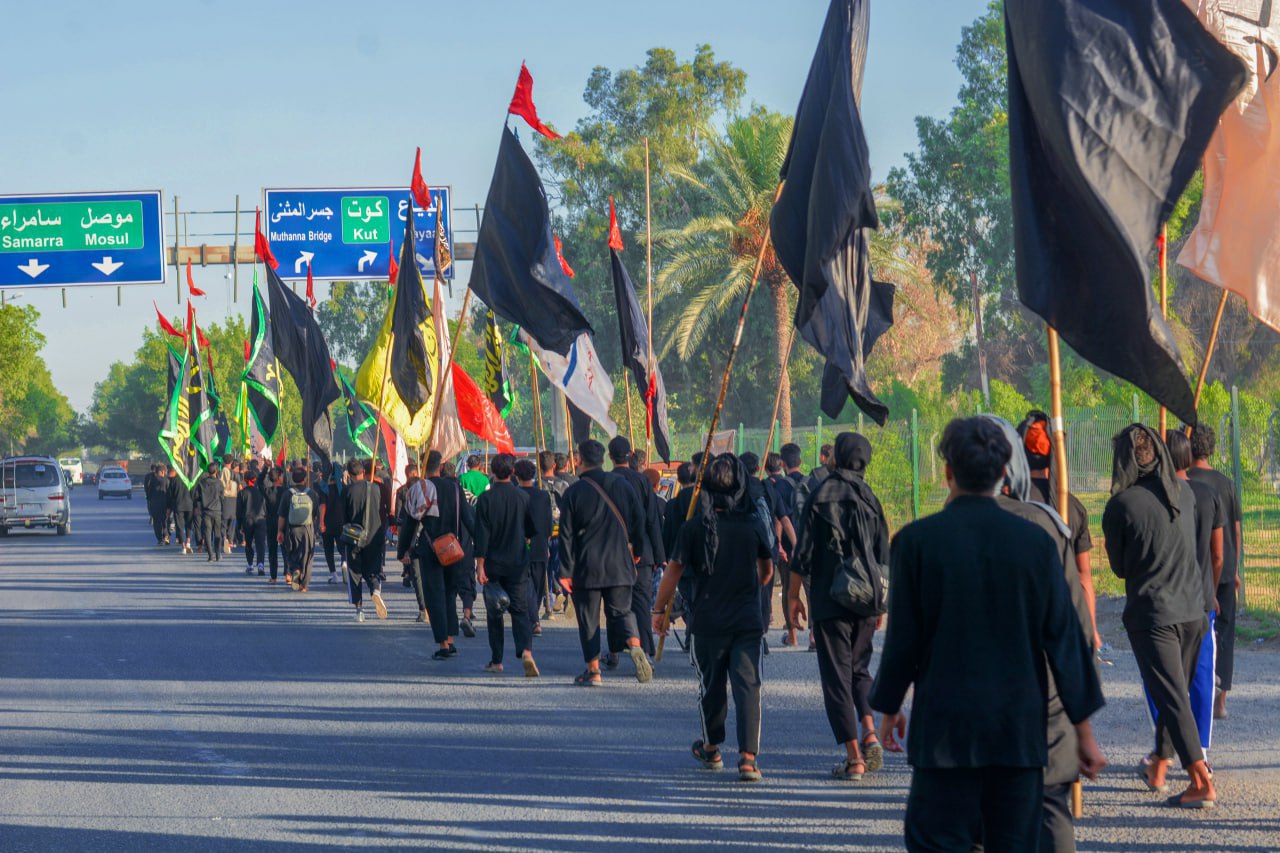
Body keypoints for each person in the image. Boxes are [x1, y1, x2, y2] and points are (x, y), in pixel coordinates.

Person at [871, 417, 1105, 851]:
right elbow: (1065, 639)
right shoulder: (1036, 543)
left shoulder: (916, 543)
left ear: (947, 472)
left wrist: (889, 708)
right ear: (1003, 474)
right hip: (1016, 735)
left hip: (944, 736)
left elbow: (904, 641)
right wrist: (1083, 733)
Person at [987, 415, 1099, 852]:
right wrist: (1083, 727)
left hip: (974, 709)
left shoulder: (932, 535)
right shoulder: (1057, 519)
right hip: (1044, 698)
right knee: (1050, 813)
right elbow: (1074, 605)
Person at [1102, 423, 1214, 807]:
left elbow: (1118, 568)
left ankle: (1201, 781)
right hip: (1194, 611)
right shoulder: (1183, 491)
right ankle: (1159, 767)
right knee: (1174, 693)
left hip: (1155, 616)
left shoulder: (1121, 505)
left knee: (1172, 698)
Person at [653, 454, 773, 782]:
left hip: (706, 620)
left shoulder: (694, 528)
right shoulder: (753, 525)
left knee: (711, 685)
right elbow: (766, 571)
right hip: (748, 618)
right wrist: (747, 588)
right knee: (748, 686)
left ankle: (711, 747)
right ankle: (749, 758)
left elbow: (673, 571)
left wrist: (659, 610)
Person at [789, 433, 890, 783]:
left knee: (836, 677)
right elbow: (883, 555)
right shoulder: (870, 498)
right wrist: (880, 604)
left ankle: (854, 758)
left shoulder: (820, 494)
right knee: (859, 669)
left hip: (830, 600)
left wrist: (792, 598)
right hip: (865, 599)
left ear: (840, 456)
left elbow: (802, 554)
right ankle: (870, 731)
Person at [1145, 430, 1223, 770]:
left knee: (1162, 679)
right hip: (1201, 600)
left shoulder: (1154, 497)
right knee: (1202, 674)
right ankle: (1200, 751)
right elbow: (1218, 555)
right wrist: (1213, 591)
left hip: (1165, 601)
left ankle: (1165, 751)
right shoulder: (1208, 494)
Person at [558, 439, 653, 686]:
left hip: (586, 566)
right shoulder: (622, 485)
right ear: (603, 459)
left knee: (588, 619)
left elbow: (566, 535)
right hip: (620, 561)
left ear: (579, 460)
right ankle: (634, 644)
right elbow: (639, 521)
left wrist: (565, 570)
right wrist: (637, 551)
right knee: (622, 611)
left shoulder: (573, 492)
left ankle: (594, 671)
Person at [1019, 411, 1102, 650]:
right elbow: (1084, 574)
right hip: (1066, 619)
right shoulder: (1073, 507)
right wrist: (1091, 628)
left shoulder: (1010, 504)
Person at [1186, 423, 1242, 720]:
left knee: (1195, 634)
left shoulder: (1181, 481)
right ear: (1212, 448)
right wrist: (1233, 568)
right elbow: (1234, 528)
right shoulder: (1226, 483)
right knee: (1225, 632)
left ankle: (1195, 695)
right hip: (1225, 565)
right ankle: (1220, 702)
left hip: (1195, 568)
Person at [473, 453, 539, 677]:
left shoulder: (485, 499)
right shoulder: (522, 497)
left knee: (495, 613)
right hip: (518, 563)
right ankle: (527, 652)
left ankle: (497, 660)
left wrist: (480, 566)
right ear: (512, 473)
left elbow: (481, 535)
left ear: (492, 472)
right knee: (520, 611)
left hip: (493, 564)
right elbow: (531, 530)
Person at [406, 451, 475, 660]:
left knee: (435, 596)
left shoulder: (421, 488)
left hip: (430, 549)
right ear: (440, 465)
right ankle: (451, 639)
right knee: (450, 595)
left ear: (424, 465)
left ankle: (443, 644)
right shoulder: (455, 488)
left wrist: (403, 551)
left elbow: (411, 523)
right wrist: (480, 547)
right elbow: (468, 519)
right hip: (453, 549)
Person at [608, 436, 667, 660]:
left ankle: (614, 651)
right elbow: (652, 519)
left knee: (614, 603)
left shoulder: (606, 480)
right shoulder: (642, 481)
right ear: (630, 455)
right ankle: (646, 649)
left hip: (614, 551)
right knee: (641, 603)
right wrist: (660, 555)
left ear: (610, 457)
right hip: (644, 553)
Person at [343, 458, 385, 622]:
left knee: (354, 574)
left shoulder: (347, 491)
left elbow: (344, 516)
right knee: (373, 569)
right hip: (374, 534)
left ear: (349, 474)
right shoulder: (375, 488)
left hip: (353, 537)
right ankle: (375, 590)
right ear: (362, 472)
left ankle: (359, 609)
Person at [515, 458, 553, 636]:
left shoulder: (515, 494)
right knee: (534, 584)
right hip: (539, 545)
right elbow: (548, 524)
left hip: (520, 546)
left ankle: (533, 617)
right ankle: (534, 619)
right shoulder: (543, 495)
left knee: (530, 585)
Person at [277, 467, 318, 591]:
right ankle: (304, 585)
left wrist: (280, 530)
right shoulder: (312, 494)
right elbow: (315, 514)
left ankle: (295, 569)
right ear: (305, 479)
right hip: (307, 528)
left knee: (291, 552)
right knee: (307, 556)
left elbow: (282, 515)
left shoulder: (287, 494)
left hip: (291, 528)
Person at [317, 467, 346, 584]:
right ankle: (344, 561)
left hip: (328, 523)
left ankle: (334, 575)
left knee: (328, 549)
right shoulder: (343, 488)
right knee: (342, 547)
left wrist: (321, 522)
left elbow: (322, 505)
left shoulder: (324, 488)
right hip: (342, 522)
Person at [237, 468, 268, 576]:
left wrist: (239, 525)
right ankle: (260, 564)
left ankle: (250, 564)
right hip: (261, 518)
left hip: (247, 520)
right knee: (260, 544)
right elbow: (265, 506)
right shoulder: (261, 491)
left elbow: (239, 510)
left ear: (245, 480)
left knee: (249, 543)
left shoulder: (242, 493)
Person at [193, 462, 225, 562]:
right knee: (217, 534)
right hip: (217, 511)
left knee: (207, 533)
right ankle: (218, 554)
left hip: (206, 511)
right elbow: (222, 498)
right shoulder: (219, 483)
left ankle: (210, 555)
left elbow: (196, 497)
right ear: (216, 471)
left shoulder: (202, 483)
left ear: (207, 471)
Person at [259, 467, 284, 582]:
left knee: (272, 550)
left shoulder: (267, 491)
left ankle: (274, 576)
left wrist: (265, 469)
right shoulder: (286, 491)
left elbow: (259, 482)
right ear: (279, 478)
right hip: (284, 522)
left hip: (271, 521)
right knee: (286, 549)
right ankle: (288, 573)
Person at [167, 467, 194, 555]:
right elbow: (193, 492)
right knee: (189, 525)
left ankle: (183, 547)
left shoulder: (173, 481)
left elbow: (170, 496)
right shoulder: (189, 479)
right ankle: (189, 544)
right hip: (189, 505)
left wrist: (169, 509)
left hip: (178, 506)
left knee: (180, 527)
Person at [146, 464, 170, 545]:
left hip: (154, 504)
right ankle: (166, 536)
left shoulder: (152, 480)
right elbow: (169, 492)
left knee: (156, 522)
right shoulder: (166, 480)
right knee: (165, 521)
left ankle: (160, 538)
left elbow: (148, 493)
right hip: (165, 504)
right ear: (162, 472)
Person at [220, 460, 241, 555]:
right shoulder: (235, 474)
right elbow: (240, 487)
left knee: (224, 521)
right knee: (232, 522)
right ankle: (230, 541)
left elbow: (221, 485)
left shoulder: (223, 471)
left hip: (225, 498)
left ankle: (225, 539)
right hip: (233, 498)